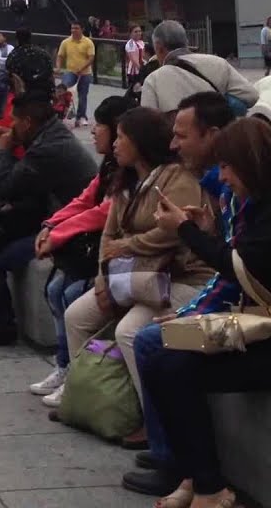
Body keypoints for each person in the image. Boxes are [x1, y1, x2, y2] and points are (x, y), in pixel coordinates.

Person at [58, 108, 215, 444]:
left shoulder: (176, 179)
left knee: (131, 331)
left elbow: (174, 233)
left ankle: (152, 422)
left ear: (140, 141)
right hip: (132, 279)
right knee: (76, 315)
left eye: (122, 137)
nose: (115, 144)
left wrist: (129, 245)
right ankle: (89, 395)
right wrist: (104, 281)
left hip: (177, 279)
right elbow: (107, 237)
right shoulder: (124, 181)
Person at [142, 117, 271, 508]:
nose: (224, 177)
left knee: (173, 364)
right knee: (167, 360)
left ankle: (205, 484)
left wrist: (186, 231)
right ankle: (201, 479)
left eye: (228, 167)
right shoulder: (256, 203)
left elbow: (240, 265)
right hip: (259, 323)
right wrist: (207, 232)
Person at [120, 92, 239, 498]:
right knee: (158, 342)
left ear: (216, 136)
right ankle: (186, 469)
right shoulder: (223, 188)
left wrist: (191, 311)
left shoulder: (242, 193)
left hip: (248, 320)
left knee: (156, 342)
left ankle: (186, 469)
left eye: (183, 136)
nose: (175, 145)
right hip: (231, 307)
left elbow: (237, 268)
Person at [0, 91, 98, 347]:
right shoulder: (48, 136)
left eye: (14, 120)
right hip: (53, 219)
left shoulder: (49, 148)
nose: (10, 126)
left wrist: (1, 150)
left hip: (73, 231)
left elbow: (4, 186)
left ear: (26, 122)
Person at [29, 96, 133, 406]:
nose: (93, 132)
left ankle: (79, 372)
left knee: (71, 293)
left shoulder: (132, 172)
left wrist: (59, 234)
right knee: (56, 288)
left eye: (100, 125)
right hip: (92, 251)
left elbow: (104, 211)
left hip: (112, 257)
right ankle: (65, 366)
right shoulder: (111, 166)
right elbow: (86, 199)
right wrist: (51, 224)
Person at [141, 20, 258, 115]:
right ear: (186, 42)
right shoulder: (218, 63)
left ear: (158, 47)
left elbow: (149, 124)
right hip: (219, 138)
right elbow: (251, 96)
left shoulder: (153, 80)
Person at [55, 21, 96, 126]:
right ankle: (61, 114)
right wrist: (58, 67)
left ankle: (81, 117)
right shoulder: (66, 42)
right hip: (70, 72)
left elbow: (91, 58)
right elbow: (60, 56)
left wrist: (82, 68)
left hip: (85, 73)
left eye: (76, 28)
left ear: (82, 29)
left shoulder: (88, 42)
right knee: (62, 91)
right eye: (72, 28)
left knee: (82, 95)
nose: (73, 30)